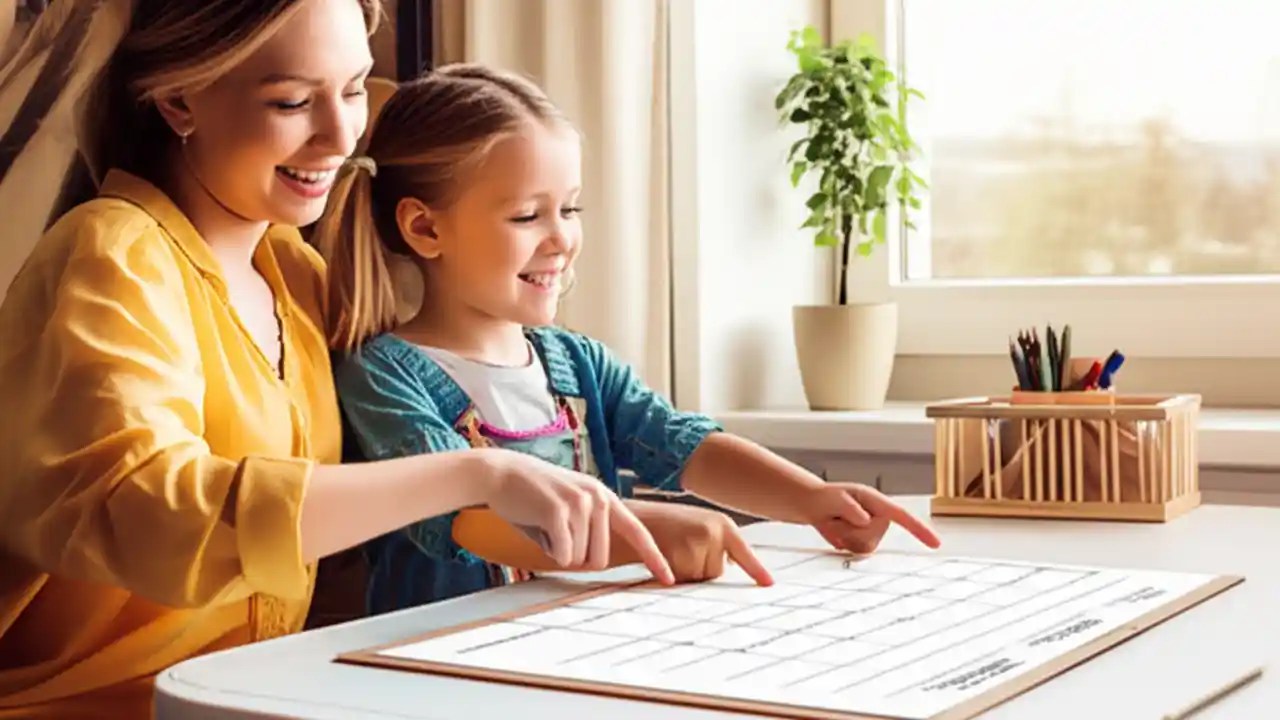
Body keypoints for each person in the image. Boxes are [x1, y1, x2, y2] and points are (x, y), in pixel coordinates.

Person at [0, 2, 673, 717]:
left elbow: (352, 527)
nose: (341, 135)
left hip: (259, 694)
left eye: (353, 90)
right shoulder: (111, 256)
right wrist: (477, 471)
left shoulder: (295, 275)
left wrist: (624, 536)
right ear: (177, 99)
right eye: (292, 101)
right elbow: (150, 517)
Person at [315, 63, 943, 615]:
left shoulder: (577, 362)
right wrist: (649, 529)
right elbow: (465, 522)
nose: (561, 238)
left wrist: (811, 499)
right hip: (435, 659)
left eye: (571, 209)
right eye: (527, 216)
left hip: (587, 639)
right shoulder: (383, 374)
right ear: (425, 228)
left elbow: (683, 443)